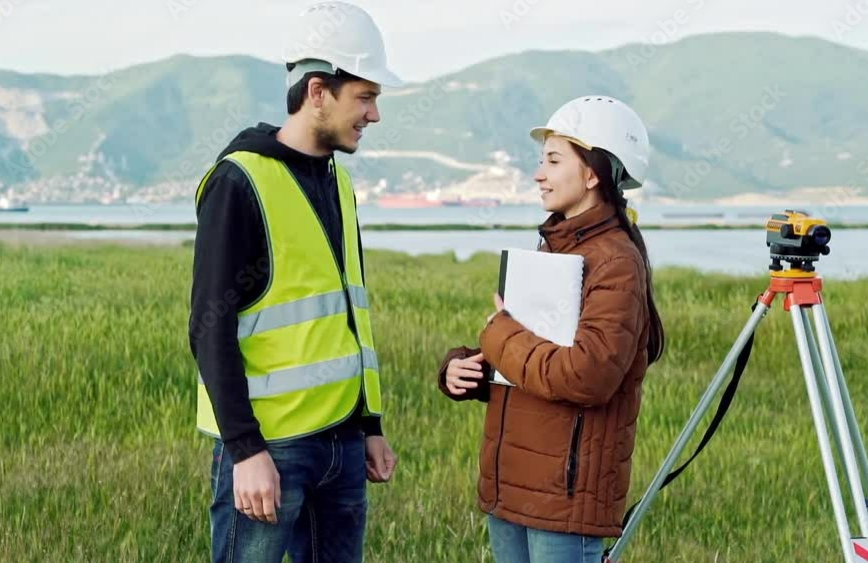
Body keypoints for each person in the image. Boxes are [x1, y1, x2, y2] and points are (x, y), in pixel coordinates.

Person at [188, 3, 402, 562]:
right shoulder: (240, 182)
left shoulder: (340, 181)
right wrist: (244, 450)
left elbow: (349, 315)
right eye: (365, 96)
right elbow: (209, 328)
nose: (374, 114)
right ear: (317, 92)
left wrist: (369, 425)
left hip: (345, 444)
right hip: (271, 449)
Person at [436, 96, 666, 563]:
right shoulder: (553, 248)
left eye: (554, 160)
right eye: (541, 161)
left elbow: (586, 375)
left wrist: (498, 335)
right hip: (513, 491)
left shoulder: (616, 262)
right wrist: (468, 369)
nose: (538, 174)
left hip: (565, 502)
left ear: (592, 174)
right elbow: (536, 356)